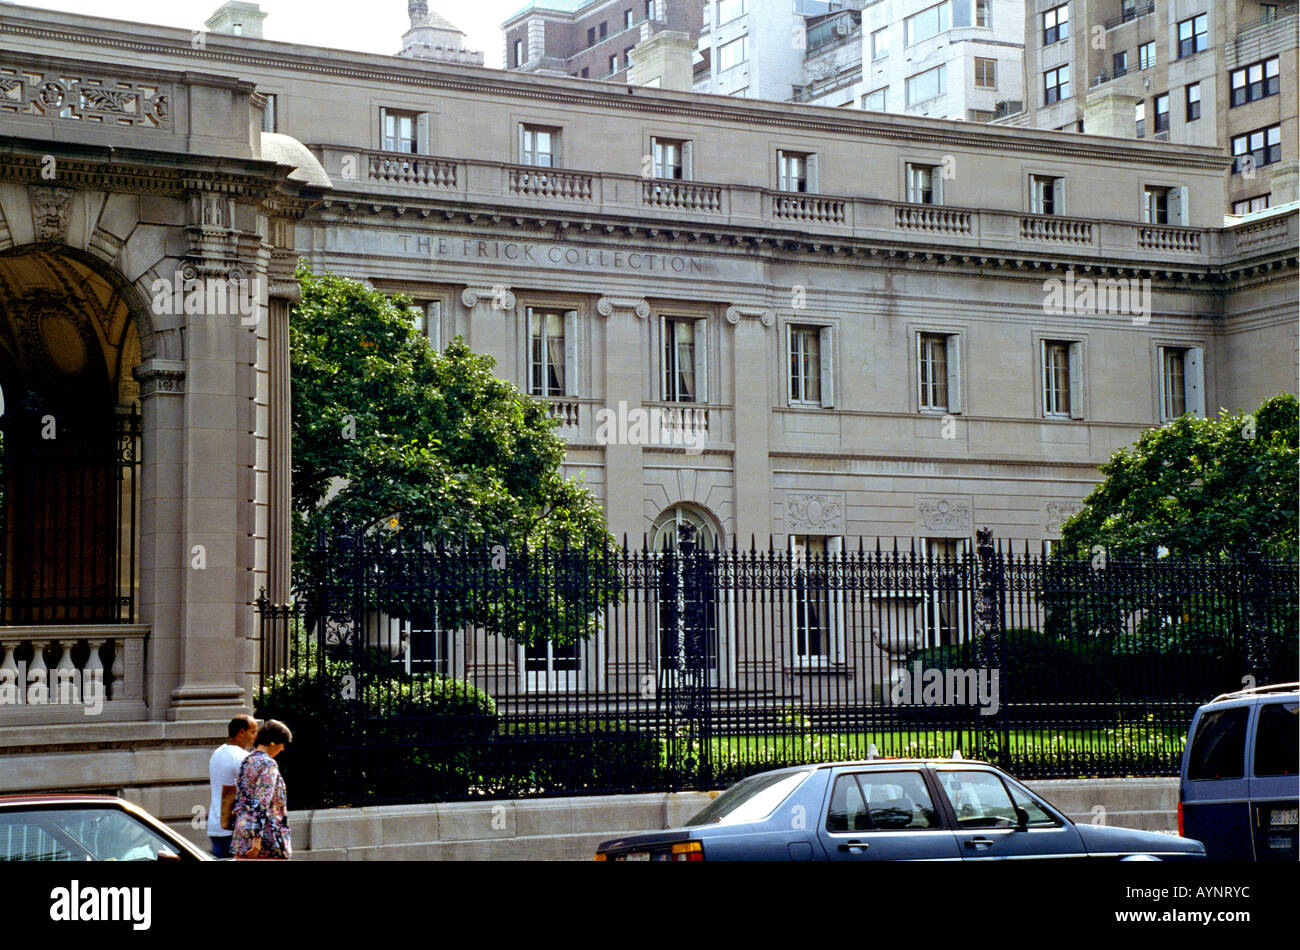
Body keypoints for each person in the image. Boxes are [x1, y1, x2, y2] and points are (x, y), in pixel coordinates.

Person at [231, 719, 293, 860]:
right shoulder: (268, 764)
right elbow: (261, 802)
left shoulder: (247, 761)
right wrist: (257, 836)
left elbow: (241, 798)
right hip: (266, 836)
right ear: (272, 743)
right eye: (281, 744)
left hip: (242, 832)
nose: (282, 748)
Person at [208, 714, 257, 858]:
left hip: (215, 826)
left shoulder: (217, 753)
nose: (255, 736)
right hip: (234, 829)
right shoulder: (241, 757)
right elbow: (251, 794)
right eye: (253, 732)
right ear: (241, 732)